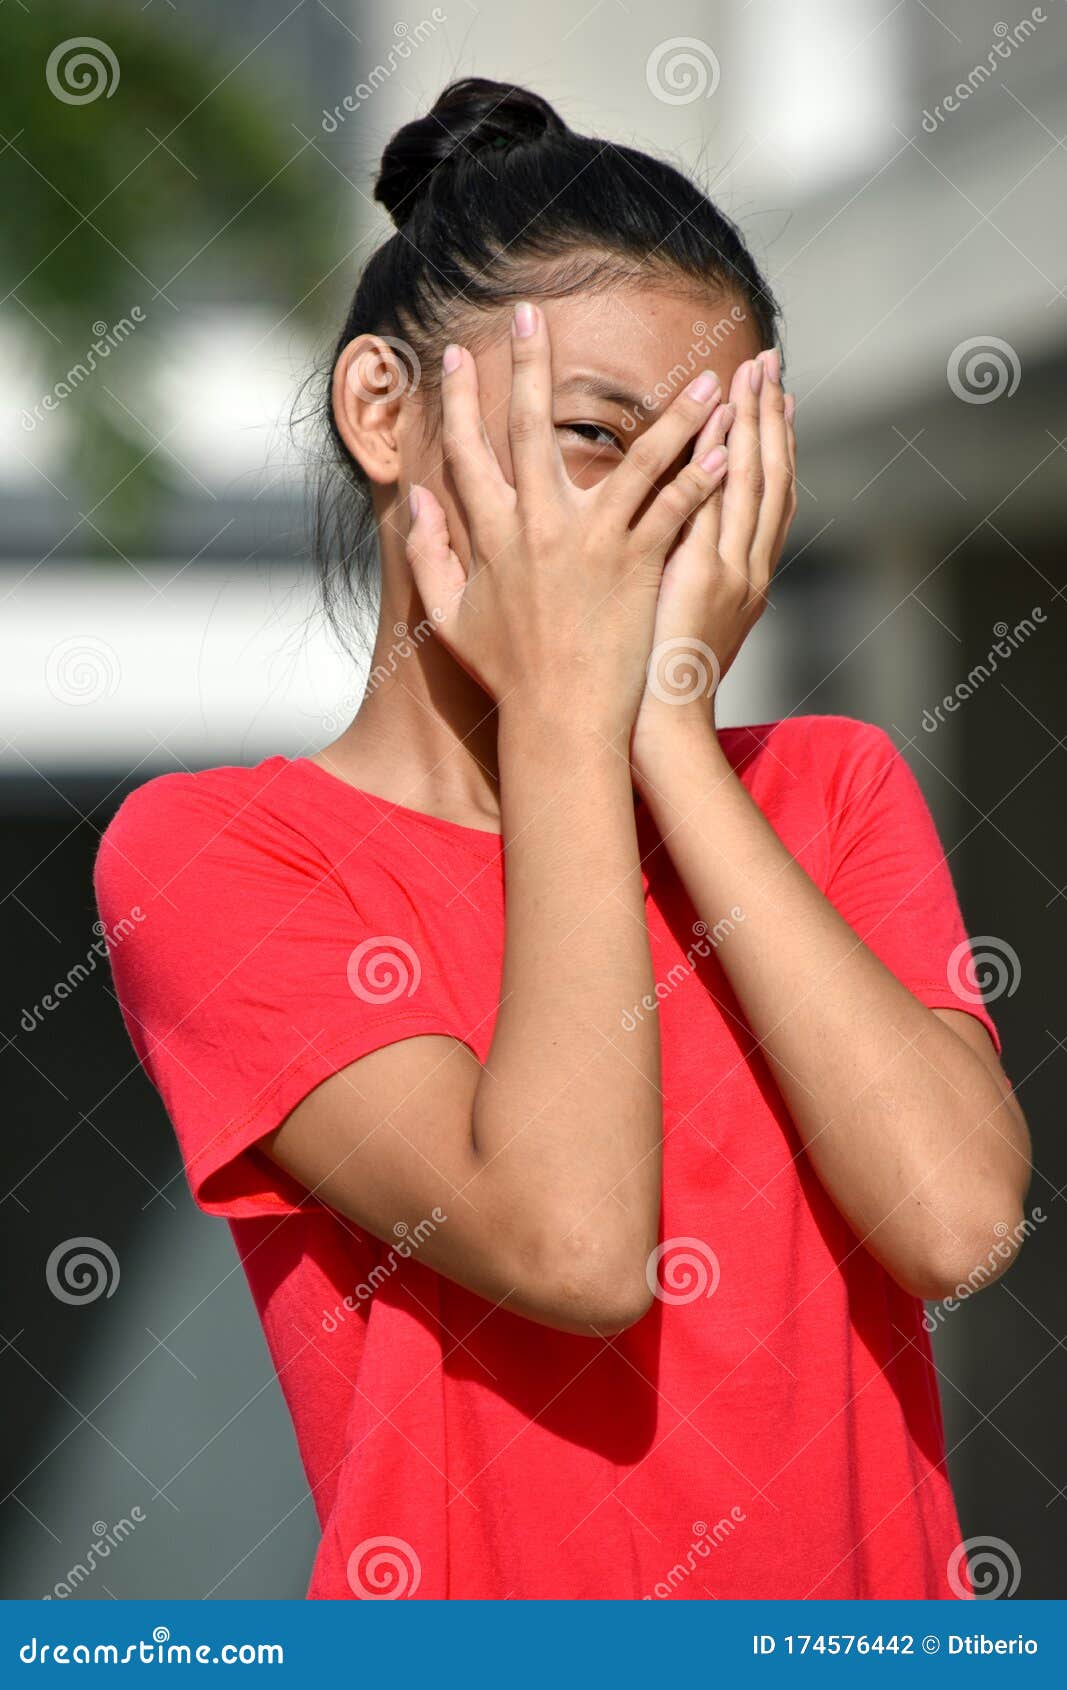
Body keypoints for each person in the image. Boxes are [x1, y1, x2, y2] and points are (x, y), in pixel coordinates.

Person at [95, 78, 1031, 1601]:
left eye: (702, 467)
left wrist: (661, 731)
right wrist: (565, 728)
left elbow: (956, 1221)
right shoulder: (218, 852)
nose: (646, 525)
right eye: (599, 438)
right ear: (384, 411)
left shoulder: (826, 785)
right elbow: (576, 1245)